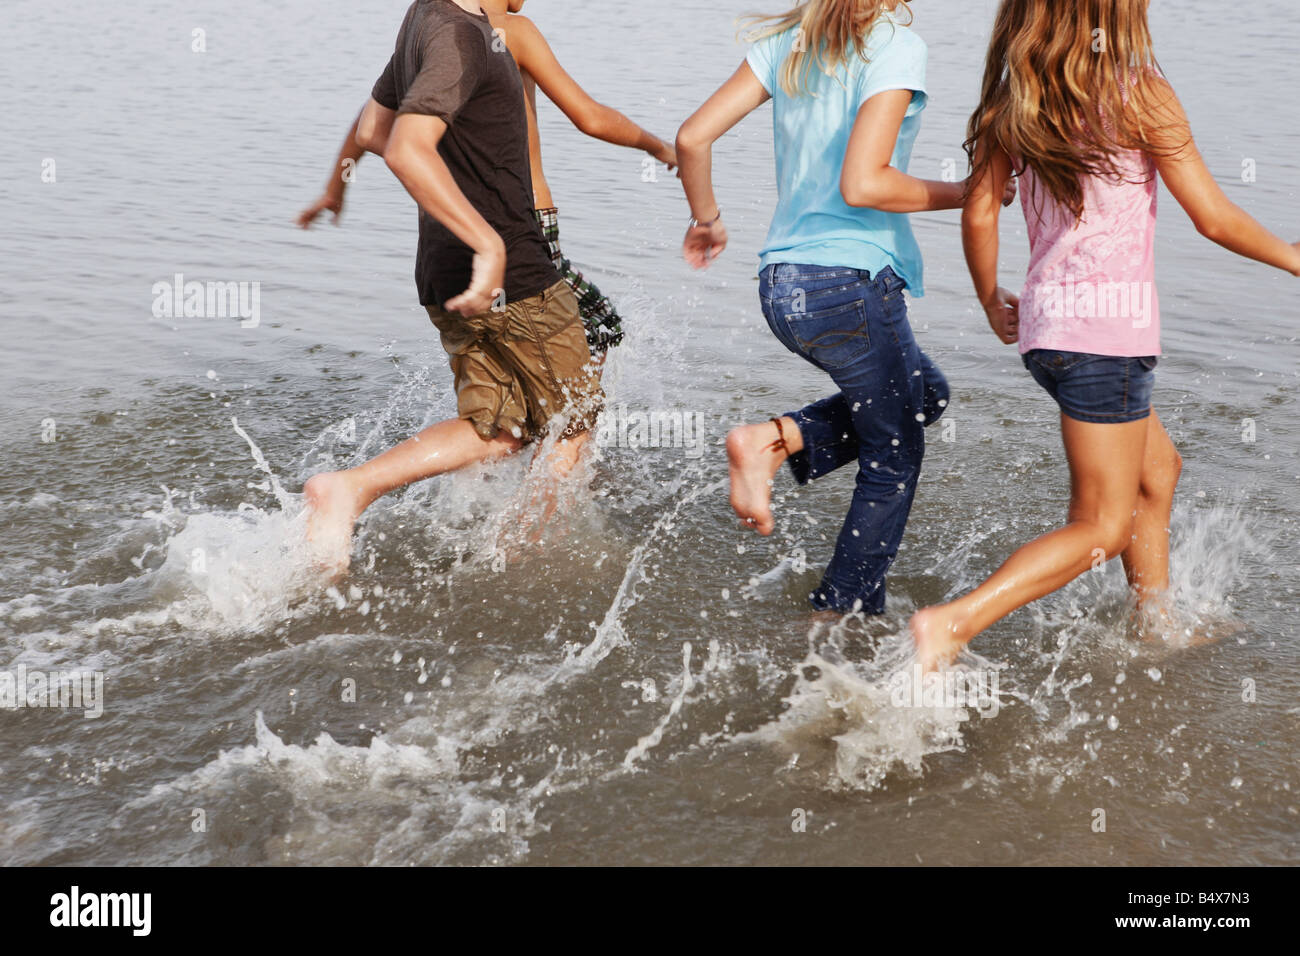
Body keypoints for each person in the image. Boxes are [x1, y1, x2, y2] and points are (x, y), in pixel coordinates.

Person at [911, 0, 1300, 669]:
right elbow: (1211, 216)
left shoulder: (1017, 98)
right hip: (1107, 339)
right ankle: (953, 622)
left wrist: (988, 298)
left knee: (1159, 470)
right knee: (1101, 525)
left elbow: (979, 214)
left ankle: (1154, 620)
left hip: (1048, 333)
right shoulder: (1140, 91)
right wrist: (1293, 258)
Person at [677, 0, 1006, 616]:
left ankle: (774, 441)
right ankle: (838, 617)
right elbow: (865, 184)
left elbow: (692, 137)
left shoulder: (790, 43)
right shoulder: (894, 46)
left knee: (925, 393)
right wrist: (970, 192)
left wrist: (708, 220)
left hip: (781, 286)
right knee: (895, 454)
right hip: (849, 287)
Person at [301, 0, 603, 573]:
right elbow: (405, 147)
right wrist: (489, 246)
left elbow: (372, 127)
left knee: (501, 427)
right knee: (575, 416)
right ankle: (524, 556)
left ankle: (352, 487)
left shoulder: (425, 18)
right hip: (512, 274)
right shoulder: (464, 37)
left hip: (441, 274)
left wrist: (336, 185)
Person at [298, 0, 678, 360]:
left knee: (502, 361)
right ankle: (571, 425)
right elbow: (590, 117)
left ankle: (531, 421)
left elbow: (372, 122)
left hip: (452, 229)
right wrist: (658, 146)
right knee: (601, 327)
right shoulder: (514, 32)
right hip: (525, 222)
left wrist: (336, 187)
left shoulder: (439, 32)